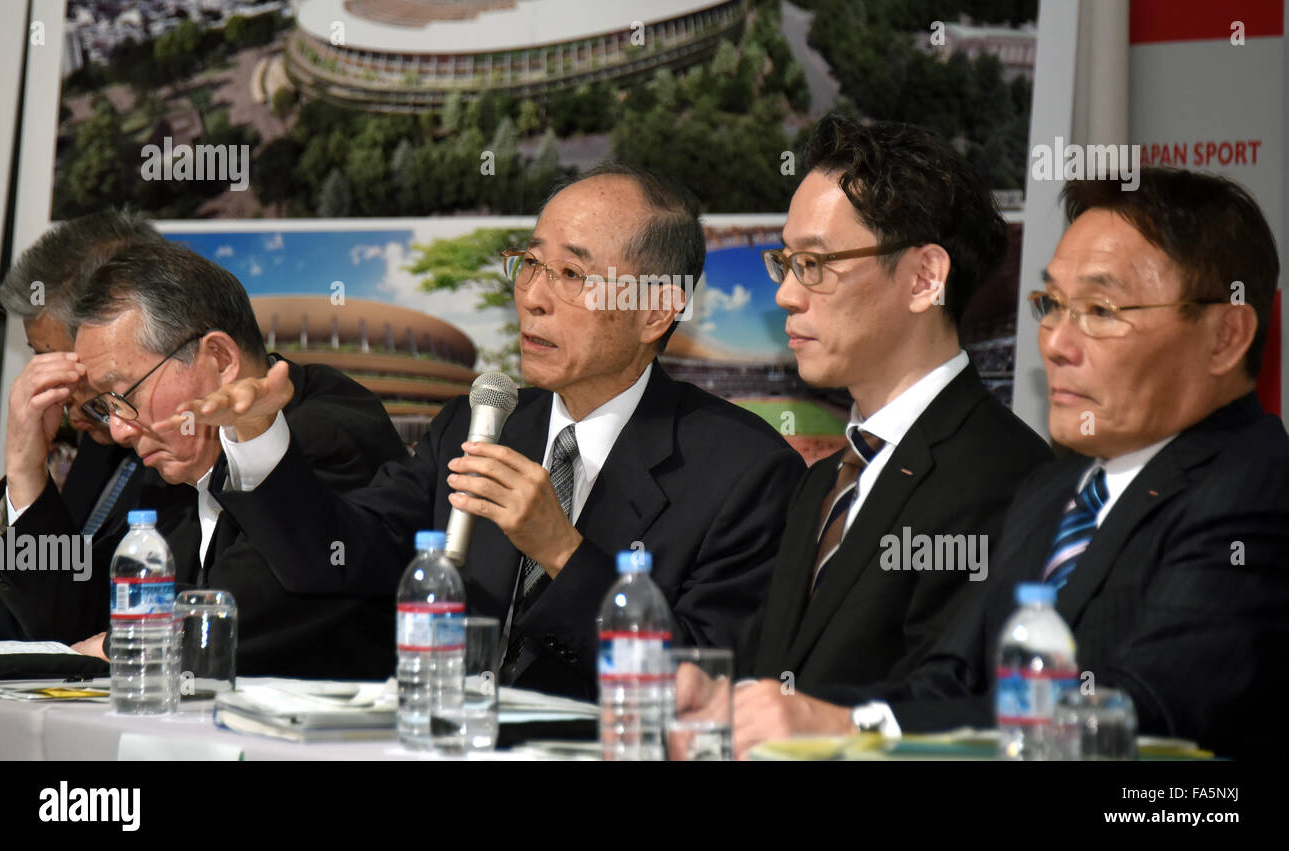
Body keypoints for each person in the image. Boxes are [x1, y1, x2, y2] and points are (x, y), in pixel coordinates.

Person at [728, 166, 1289, 761]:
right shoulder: (1053, 489)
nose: (1054, 342)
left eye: (1100, 310)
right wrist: (813, 718)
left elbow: (1140, 709)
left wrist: (855, 726)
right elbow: (947, 681)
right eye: (1052, 304)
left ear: (1226, 336)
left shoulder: (1258, 487)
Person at [185, 166, 807, 700]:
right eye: (530, 263)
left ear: (656, 309)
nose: (533, 296)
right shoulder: (480, 426)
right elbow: (336, 557)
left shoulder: (746, 473)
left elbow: (700, 681)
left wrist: (562, 552)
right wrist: (260, 436)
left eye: (571, 275)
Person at [713, 117, 1049, 702]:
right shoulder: (824, 481)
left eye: (814, 265)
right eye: (785, 263)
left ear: (924, 279)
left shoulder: (1005, 480)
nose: (786, 294)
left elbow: (954, 714)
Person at [0, 242, 409, 680]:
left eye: (125, 395)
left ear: (220, 359)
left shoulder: (326, 435)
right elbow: (72, 621)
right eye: (105, 407)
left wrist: (120, 640)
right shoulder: (169, 460)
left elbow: (243, 613)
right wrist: (25, 472)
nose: (118, 431)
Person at [0, 211, 163, 639]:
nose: (54, 389)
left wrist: (28, 472)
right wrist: (24, 473)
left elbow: (67, 620)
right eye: (37, 357)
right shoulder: (92, 445)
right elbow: (11, 610)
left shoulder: (180, 448)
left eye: (57, 361)